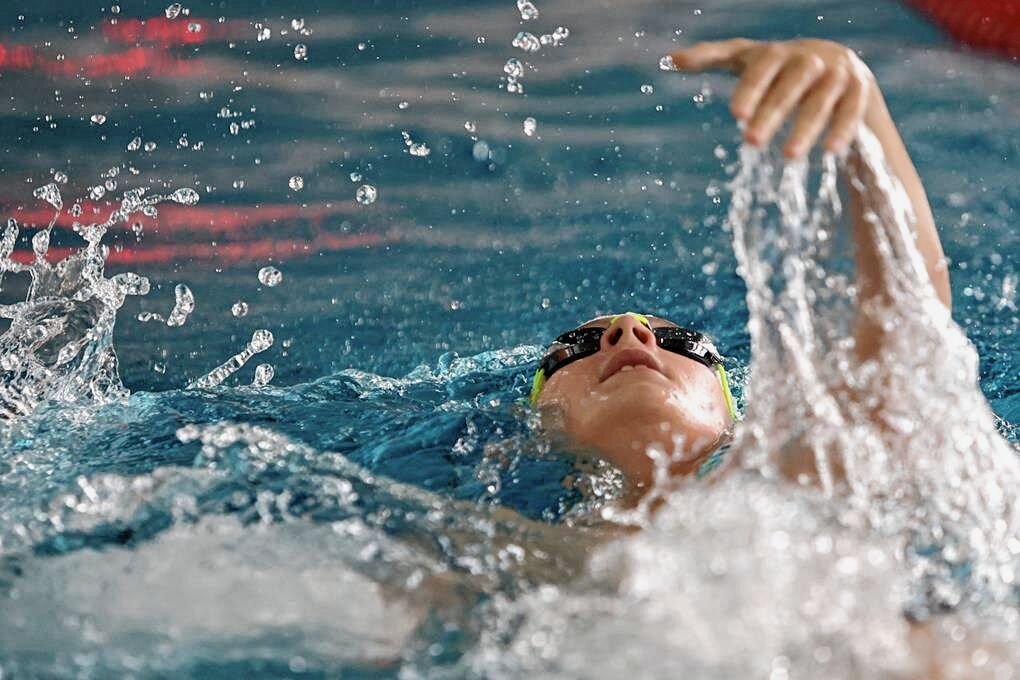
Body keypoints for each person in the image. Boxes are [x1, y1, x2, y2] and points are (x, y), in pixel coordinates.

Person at [529, 38, 952, 495]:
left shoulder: (811, 490)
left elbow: (907, 337)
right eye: (579, 345)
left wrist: (861, 108)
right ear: (532, 422)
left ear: (734, 417)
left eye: (684, 343)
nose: (631, 330)